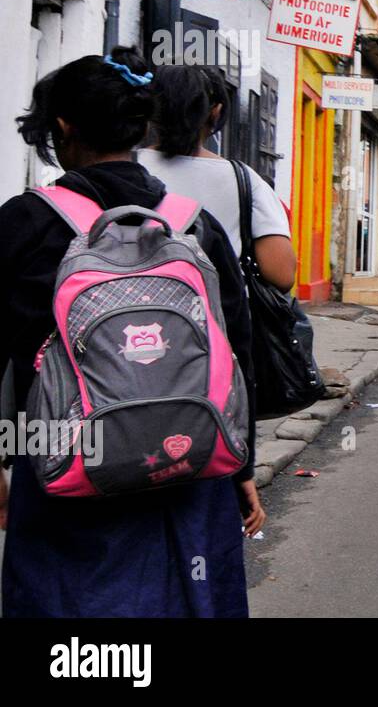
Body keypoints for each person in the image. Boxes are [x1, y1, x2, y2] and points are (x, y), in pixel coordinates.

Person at [0, 52, 261, 617]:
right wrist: (241, 465)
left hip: (59, 459)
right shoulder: (193, 226)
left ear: (62, 127)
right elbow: (238, 352)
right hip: (188, 458)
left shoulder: (22, 222)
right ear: (140, 128)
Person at [138, 63, 296, 293]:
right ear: (216, 111)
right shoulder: (244, 181)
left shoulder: (125, 168)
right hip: (219, 318)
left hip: (126, 316)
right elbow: (281, 274)